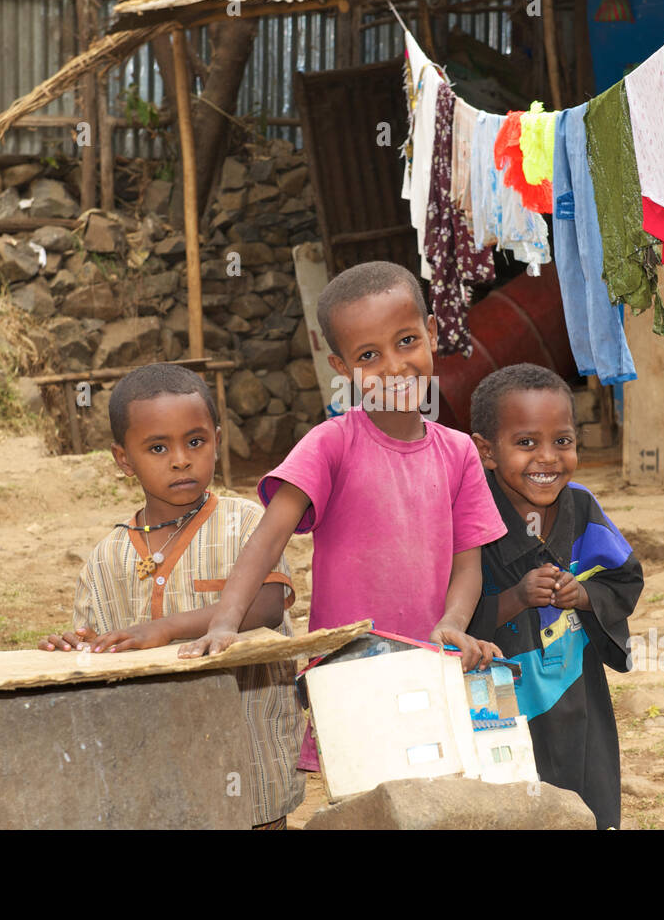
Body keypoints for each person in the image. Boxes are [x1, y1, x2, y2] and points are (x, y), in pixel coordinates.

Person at [179, 261, 508, 771]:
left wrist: (453, 623)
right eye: (369, 355)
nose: (395, 367)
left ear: (433, 333)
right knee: (363, 798)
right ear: (341, 366)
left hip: (431, 670)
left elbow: (468, 566)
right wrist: (226, 623)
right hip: (348, 676)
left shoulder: (460, 452)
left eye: (406, 341)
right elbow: (268, 541)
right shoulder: (332, 444)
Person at [38, 363, 303, 830]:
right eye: (158, 447)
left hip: (248, 777)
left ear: (217, 440)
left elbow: (264, 607)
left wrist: (160, 630)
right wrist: (76, 648)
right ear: (124, 460)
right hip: (152, 784)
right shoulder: (104, 561)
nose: (181, 459)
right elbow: (98, 657)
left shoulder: (247, 524)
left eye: (195, 442)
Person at [467, 363, 644, 828]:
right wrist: (516, 598)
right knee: (506, 800)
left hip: (576, 690)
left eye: (562, 441)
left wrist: (583, 596)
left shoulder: (582, 506)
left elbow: (625, 578)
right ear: (486, 450)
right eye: (526, 443)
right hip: (499, 701)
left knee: (588, 799)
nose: (547, 458)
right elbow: (447, 616)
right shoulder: (470, 516)